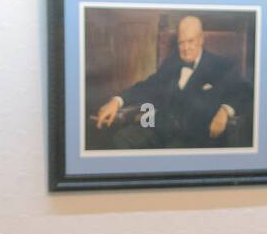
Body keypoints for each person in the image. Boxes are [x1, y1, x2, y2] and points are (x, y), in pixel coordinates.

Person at [93, 15, 252, 149]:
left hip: (194, 139)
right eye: (181, 42)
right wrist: (117, 101)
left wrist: (225, 111)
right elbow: (148, 86)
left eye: (191, 41)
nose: (186, 48)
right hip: (160, 131)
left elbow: (244, 91)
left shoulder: (221, 65)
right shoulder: (171, 63)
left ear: (201, 39)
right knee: (122, 138)